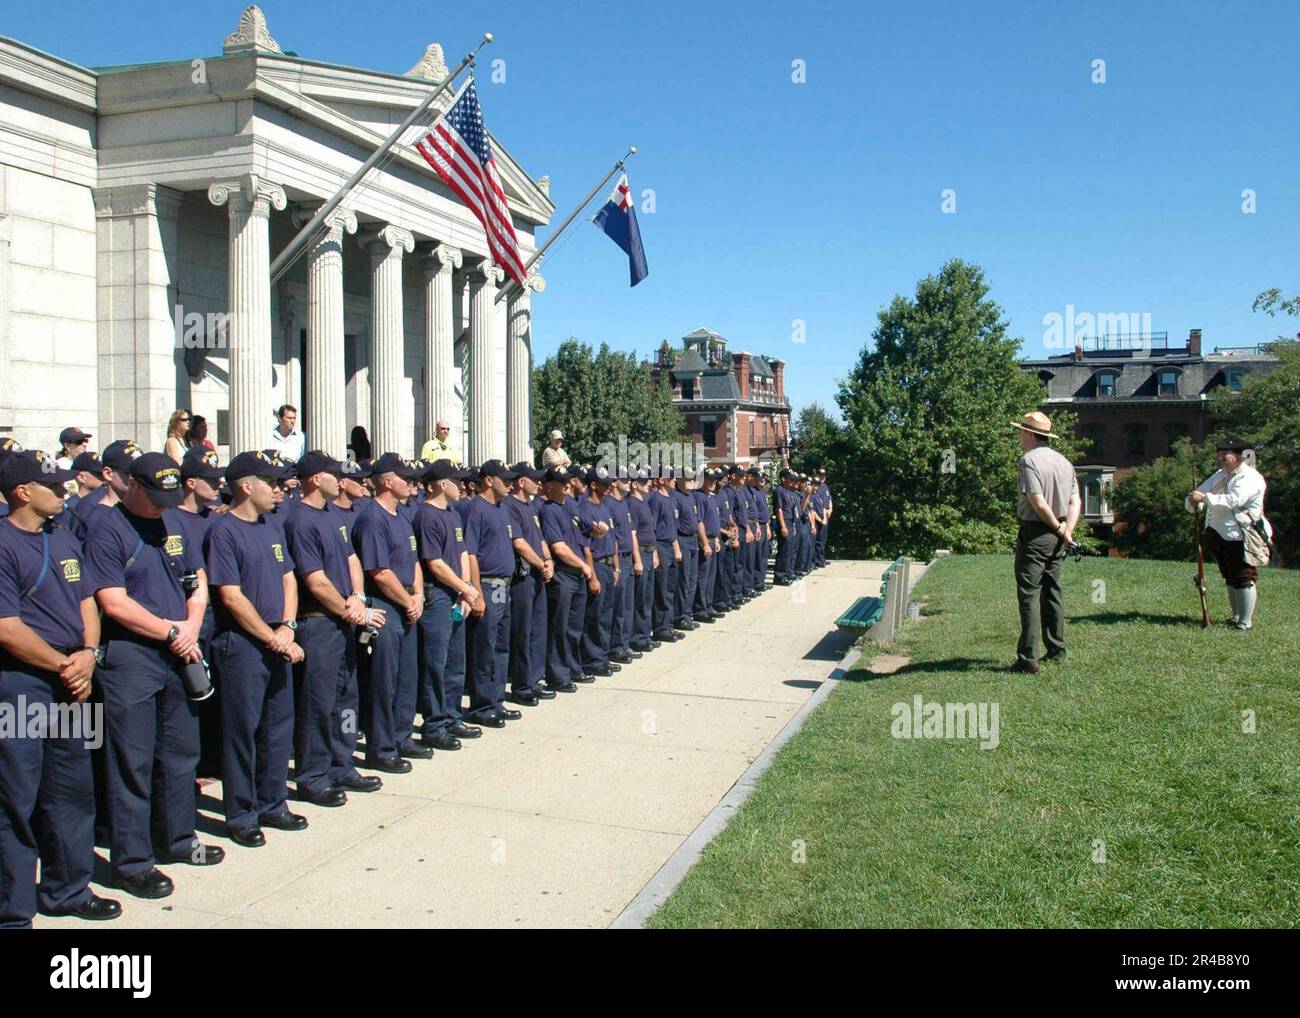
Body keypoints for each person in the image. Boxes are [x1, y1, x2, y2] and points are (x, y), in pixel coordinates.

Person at [83, 451, 223, 898]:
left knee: (181, 753)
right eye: (156, 497)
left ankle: (177, 838)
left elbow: (197, 578)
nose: (164, 505)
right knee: (133, 762)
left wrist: (191, 626)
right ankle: (133, 862)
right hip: (132, 655)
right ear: (134, 486)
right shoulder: (107, 527)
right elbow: (113, 601)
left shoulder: (174, 520)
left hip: (179, 649)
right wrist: (171, 632)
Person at [0, 450, 121, 926]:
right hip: (23, 683)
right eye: (52, 486)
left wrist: (88, 655)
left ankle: (68, 889)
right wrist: (64, 665)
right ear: (22, 492)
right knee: (16, 796)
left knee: (72, 790)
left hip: (74, 678)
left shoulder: (64, 535)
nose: (64, 491)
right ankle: (13, 910)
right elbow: (8, 628)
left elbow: (88, 602)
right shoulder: (4, 544)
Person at [205, 451, 306, 847]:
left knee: (278, 727)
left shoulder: (271, 525)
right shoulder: (224, 531)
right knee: (241, 732)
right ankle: (242, 814)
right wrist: (271, 636)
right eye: (271, 482)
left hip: (278, 639)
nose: (279, 488)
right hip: (243, 645)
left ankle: (272, 802)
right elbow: (231, 596)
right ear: (246, 487)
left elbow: (289, 578)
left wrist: (288, 626)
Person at [283, 451, 384, 806]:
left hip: (343, 619)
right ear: (315, 479)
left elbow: (351, 558)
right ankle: (313, 776)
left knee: (345, 699)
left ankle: (342, 764)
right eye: (333, 474)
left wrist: (358, 597)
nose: (339, 480)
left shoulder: (330, 515)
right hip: (318, 623)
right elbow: (315, 580)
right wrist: (349, 609)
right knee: (318, 703)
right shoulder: (300, 520)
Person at [351, 454, 424, 772]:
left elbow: (414, 561)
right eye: (404, 478)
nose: (410, 483)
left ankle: (401, 737)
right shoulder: (372, 519)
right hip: (385, 605)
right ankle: (381, 748)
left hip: (406, 602)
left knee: (407, 676)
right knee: (384, 681)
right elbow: (379, 571)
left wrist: (418, 594)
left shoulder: (401, 515)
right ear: (387, 481)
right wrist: (408, 600)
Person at [415, 460, 481, 747]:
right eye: (457, 480)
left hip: (455, 595)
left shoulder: (452, 514)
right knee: (436, 663)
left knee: (455, 661)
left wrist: (465, 589)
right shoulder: (426, 516)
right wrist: (463, 588)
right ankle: (434, 724)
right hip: (437, 597)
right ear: (442, 484)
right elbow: (434, 562)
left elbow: (462, 552)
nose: (462, 485)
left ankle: (453, 717)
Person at [1010, 411, 1080, 674]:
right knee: (1053, 591)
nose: (1019, 436)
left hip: (1036, 533)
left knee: (1029, 594)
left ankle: (1028, 659)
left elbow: (1037, 502)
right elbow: (1075, 501)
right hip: (1059, 533)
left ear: (1029, 433)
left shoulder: (1029, 461)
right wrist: (1066, 530)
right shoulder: (1064, 462)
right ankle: (1056, 648)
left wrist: (1058, 528)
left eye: (1020, 431)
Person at [462, 460, 524, 726]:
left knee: (500, 646)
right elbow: (471, 554)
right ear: (489, 480)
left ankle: (496, 701)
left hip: (502, 585)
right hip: (486, 584)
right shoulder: (477, 509)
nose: (510, 484)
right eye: (505, 480)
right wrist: (476, 592)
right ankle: (481, 705)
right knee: (484, 647)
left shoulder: (502, 508)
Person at [1186, 437, 1270, 631]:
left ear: (1238, 456)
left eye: (1226, 454)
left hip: (1240, 534)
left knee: (1244, 577)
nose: (1222, 457)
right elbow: (1199, 492)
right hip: (1218, 533)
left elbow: (1233, 500)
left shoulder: (1250, 477)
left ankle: (1245, 622)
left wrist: (1203, 498)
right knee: (1230, 576)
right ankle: (1236, 616)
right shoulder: (1219, 475)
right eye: (1220, 454)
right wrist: (1192, 501)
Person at [505, 462, 555, 705]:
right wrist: (540, 563)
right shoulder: (510, 506)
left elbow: (540, 539)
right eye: (533, 479)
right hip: (522, 576)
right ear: (521, 482)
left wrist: (548, 561)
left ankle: (535, 680)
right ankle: (522, 685)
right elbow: (519, 543)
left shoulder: (531, 506)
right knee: (522, 632)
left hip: (537, 573)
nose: (538, 483)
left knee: (537, 629)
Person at [538, 466, 590, 690]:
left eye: (568, 480)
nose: (567, 484)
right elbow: (558, 547)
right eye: (562, 481)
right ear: (550, 485)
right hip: (563, 575)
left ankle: (573, 668)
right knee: (559, 627)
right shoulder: (549, 510)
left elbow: (581, 536)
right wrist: (583, 565)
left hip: (576, 575)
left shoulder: (567, 507)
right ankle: (558, 675)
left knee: (574, 627)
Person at [578, 467, 620, 677]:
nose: (609, 487)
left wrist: (615, 566)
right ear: (593, 485)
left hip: (607, 564)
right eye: (605, 484)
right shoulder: (585, 508)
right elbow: (586, 546)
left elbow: (612, 540)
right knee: (594, 617)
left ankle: (601, 656)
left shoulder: (604, 507)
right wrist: (592, 576)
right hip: (595, 564)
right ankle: (592, 660)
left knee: (605, 615)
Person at [606, 473, 643, 661]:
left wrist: (637, 559)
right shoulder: (608, 504)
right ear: (614, 482)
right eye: (625, 480)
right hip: (618, 559)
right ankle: (615, 647)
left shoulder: (624, 503)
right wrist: (616, 566)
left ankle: (624, 644)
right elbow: (612, 538)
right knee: (618, 607)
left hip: (628, 557)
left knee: (628, 606)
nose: (629, 483)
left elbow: (631, 534)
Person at [627, 471, 659, 652]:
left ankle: (645, 634)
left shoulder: (644, 502)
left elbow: (650, 531)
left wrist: (654, 553)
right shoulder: (632, 504)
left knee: (647, 598)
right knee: (639, 600)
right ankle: (637, 637)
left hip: (649, 552)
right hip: (640, 552)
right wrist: (637, 560)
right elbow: (633, 534)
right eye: (644, 481)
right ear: (634, 484)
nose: (649, 484)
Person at [648, 470, 682, 642]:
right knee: (661, 589)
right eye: (670, 477)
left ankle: (668, 624)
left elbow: (673, 527)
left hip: (670, 544)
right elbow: (652, 529)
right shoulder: (656, 500)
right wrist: (655, 552)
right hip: (660, 545)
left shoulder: (672, 499)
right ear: (661, 480)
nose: (674, 480)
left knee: (670, 587)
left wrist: (676, 548)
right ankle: (660, 628)